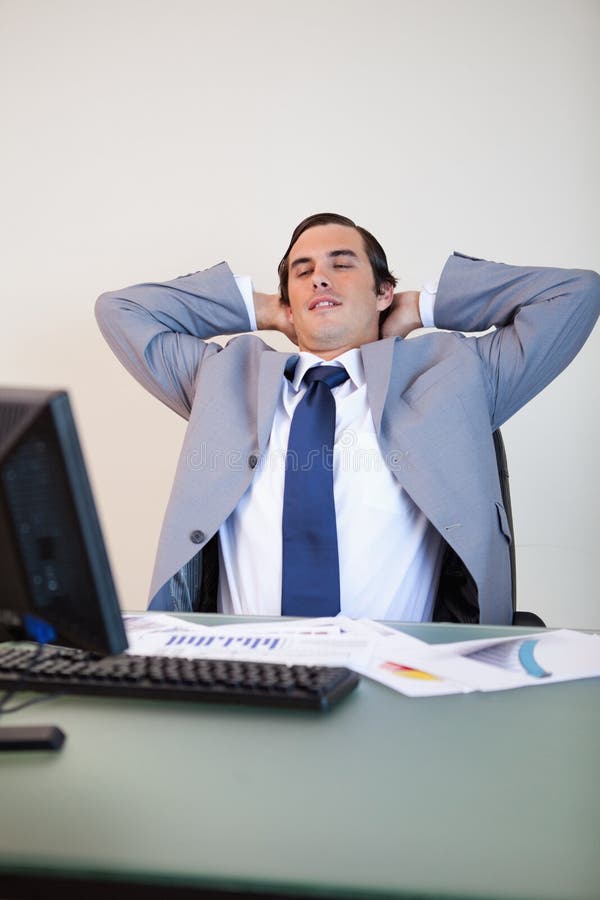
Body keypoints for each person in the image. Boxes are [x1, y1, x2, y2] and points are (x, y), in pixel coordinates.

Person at [95, 213, 600, 624]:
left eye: (342, 264)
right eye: (302, 271)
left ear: (384, 292)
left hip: (400, 688)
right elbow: (120, 310)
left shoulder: (456, 374)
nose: (320, 277)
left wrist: (425, 307)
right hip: (242, 678)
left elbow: (575, 295)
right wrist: (267, 310)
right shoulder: (222, 375)